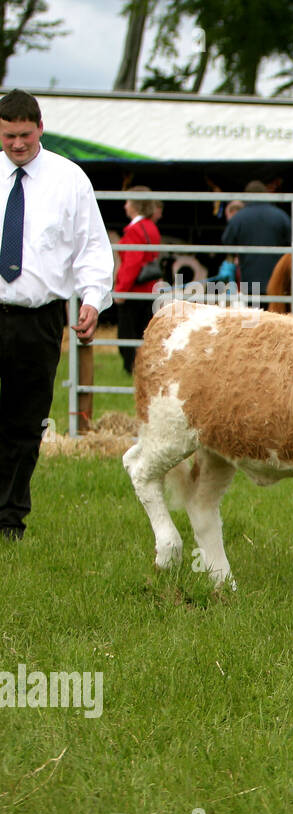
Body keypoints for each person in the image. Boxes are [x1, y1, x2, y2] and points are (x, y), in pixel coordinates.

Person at [0, 89, 113, 541]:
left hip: (39, 318)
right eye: (8, 136)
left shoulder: (70, 180)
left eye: (25, 135)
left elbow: (91, 248)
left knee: (25, 422)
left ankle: (9, 520)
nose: (17, 144)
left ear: (40, 128)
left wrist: (91, 299)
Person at [113, 185, 162, 374]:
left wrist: (121, 291)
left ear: (135, 205)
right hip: (149, 289)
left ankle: (131, 369)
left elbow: (131, 264)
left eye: (127, 202)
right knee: (145, 331)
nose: (125, 206)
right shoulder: (151, 228)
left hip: (134, 291)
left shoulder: (134, 230)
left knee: (126, 333)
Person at [221, 181, 290, 300]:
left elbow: (227, 242)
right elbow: (292, 243)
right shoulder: (281, 216)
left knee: (254, 315)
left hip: (249, 280)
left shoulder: (238, 218)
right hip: (277, 281)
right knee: (276, 316)